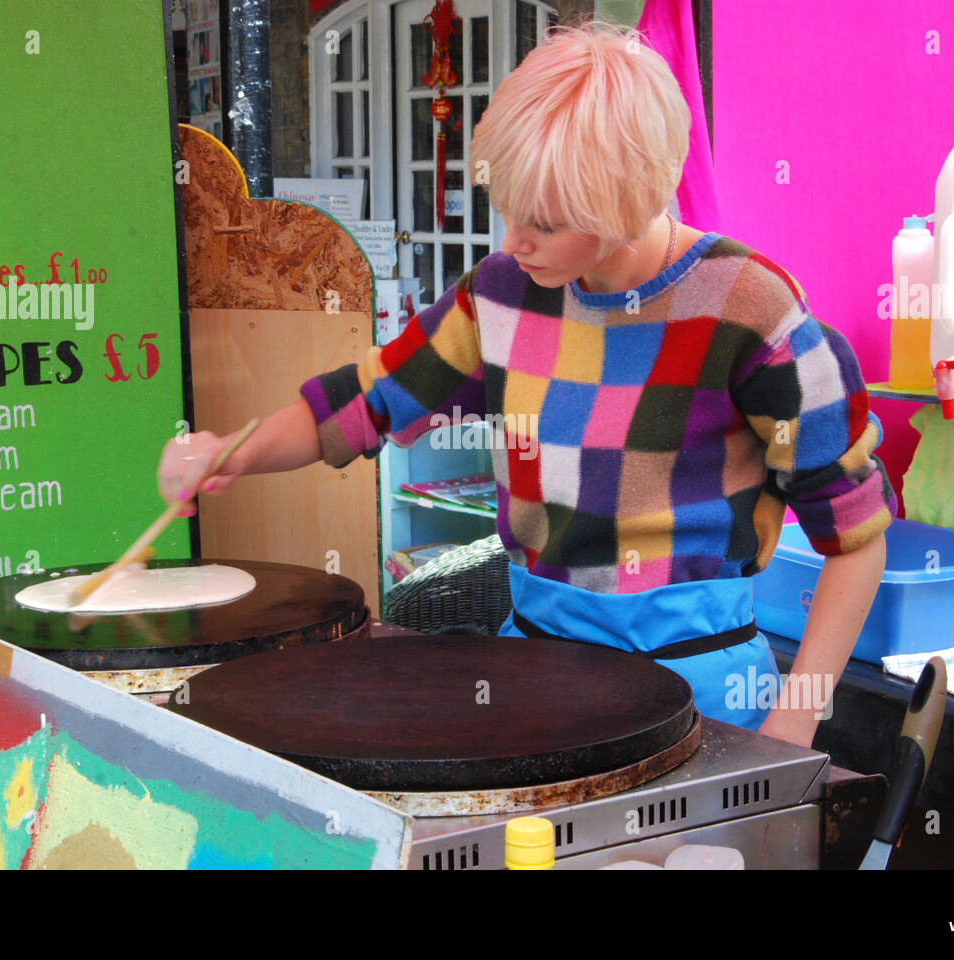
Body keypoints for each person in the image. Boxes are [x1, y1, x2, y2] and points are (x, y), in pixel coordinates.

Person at [158, 21, 894, 748]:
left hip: (706, 703)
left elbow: (857, 538)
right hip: (534, 683)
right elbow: (363, 403)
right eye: (506, 206)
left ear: (629, 199)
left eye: (544, 221)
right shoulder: (502, 296)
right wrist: (232, 452)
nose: (512, 239)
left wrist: (796, 717)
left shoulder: (750, 310)